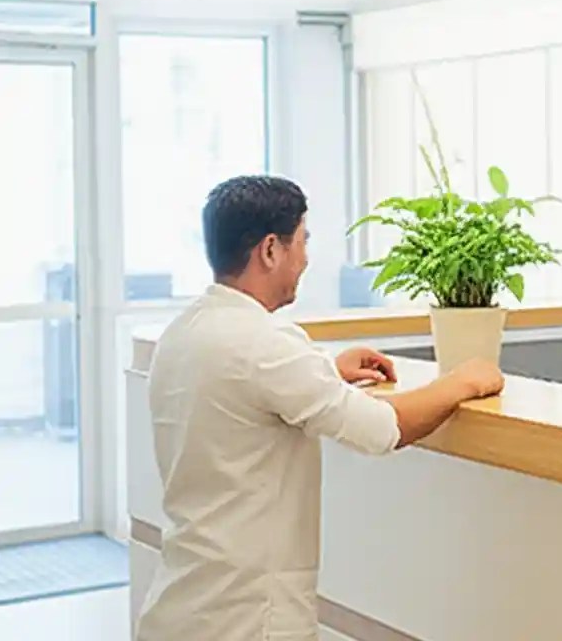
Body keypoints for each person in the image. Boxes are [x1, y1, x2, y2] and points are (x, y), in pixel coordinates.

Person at [134, 175, 504, 641]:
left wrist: (325, 370)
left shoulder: (183, 333)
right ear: (271, 249)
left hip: (180, 609)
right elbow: (383, 428)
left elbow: (244, 395)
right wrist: (463, 380)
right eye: (303, 240)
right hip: (248, 618)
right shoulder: (264, 342)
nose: (306, 258)